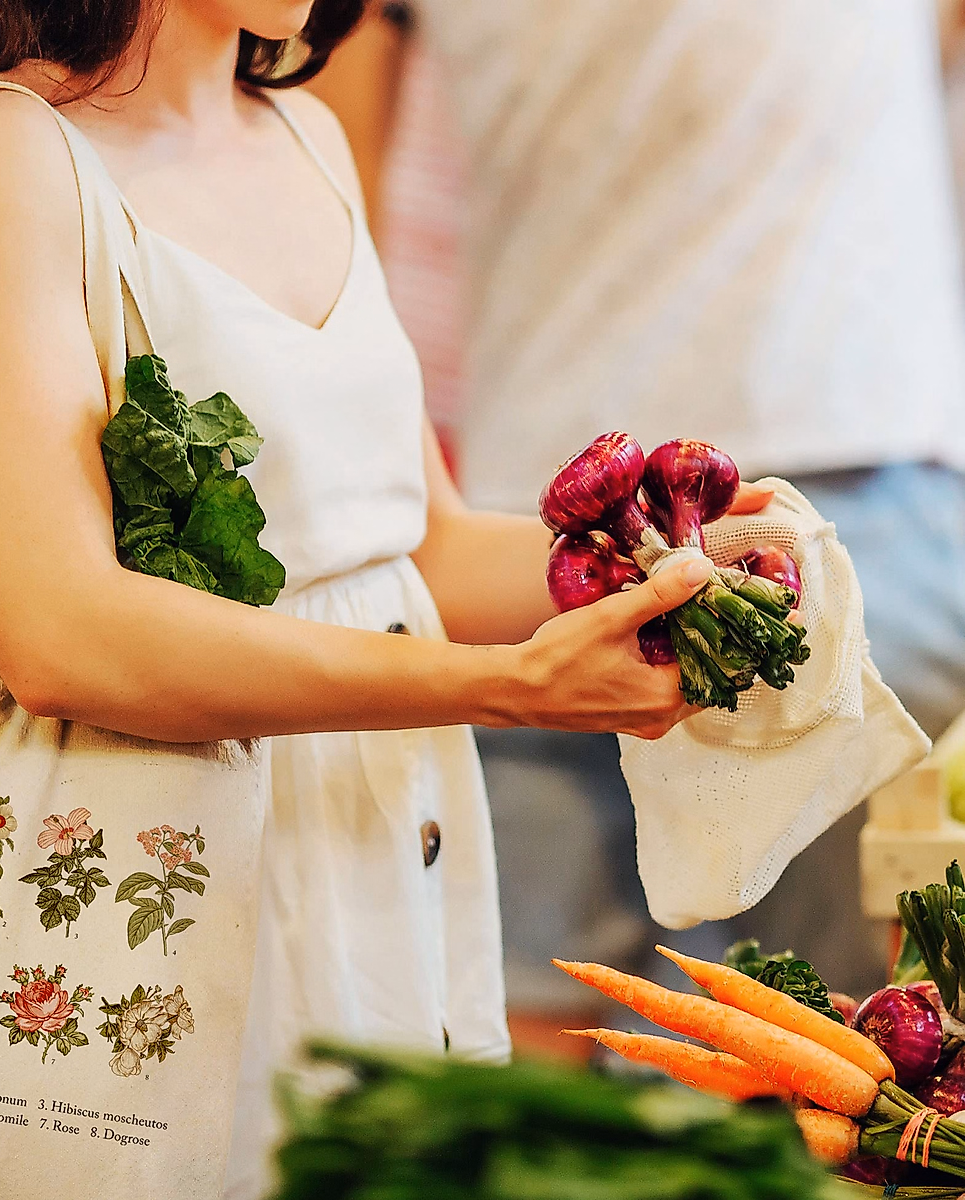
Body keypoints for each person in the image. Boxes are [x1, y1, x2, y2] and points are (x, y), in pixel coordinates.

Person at [0, 0, 776, 1193]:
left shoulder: (306, 135)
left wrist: (675, 565)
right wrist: (504, 691)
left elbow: (416, 547)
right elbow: (58, 634)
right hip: (153, 893)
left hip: (389, 859)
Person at [314, 0, 965, 1009]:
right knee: (532, 1049)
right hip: (532, 546)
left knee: (866, 1052)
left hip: (855, 475)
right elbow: (331, 165)